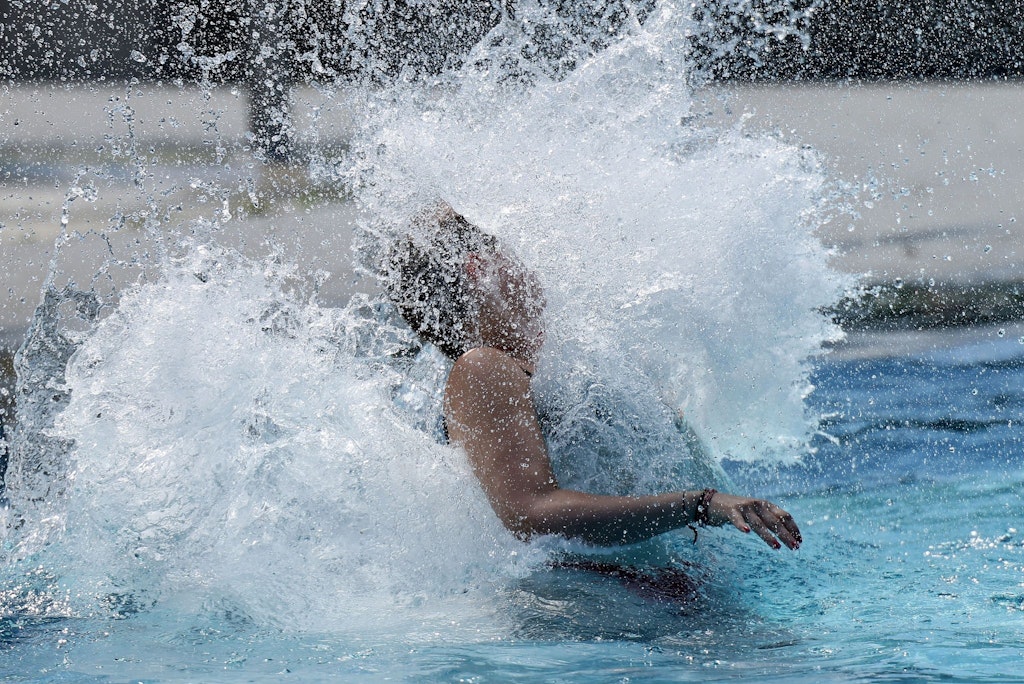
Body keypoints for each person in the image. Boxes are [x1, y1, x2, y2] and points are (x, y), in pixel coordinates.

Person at [384, 201, 801, 551]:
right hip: (598, 603)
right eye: (510, 248)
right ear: (481, 268)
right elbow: (529, 514)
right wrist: (700, 505)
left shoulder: (558, 372)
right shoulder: (483, 368)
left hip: (648, 596)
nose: (528, 263)